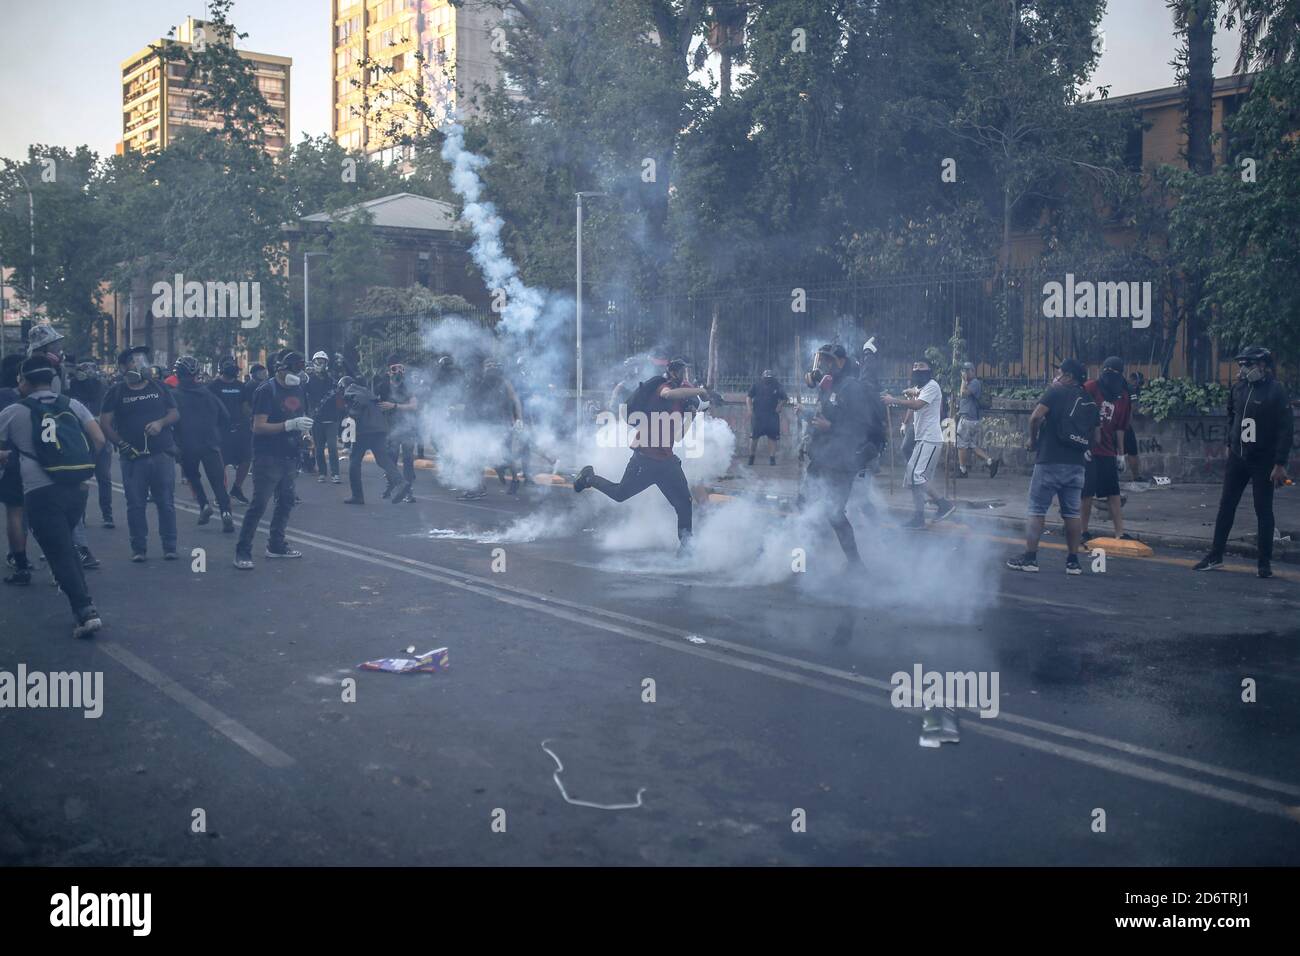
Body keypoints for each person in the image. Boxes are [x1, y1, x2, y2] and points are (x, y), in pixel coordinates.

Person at [0, 356, 105, 637]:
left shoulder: (14, 411)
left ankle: (86, 611)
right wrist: (85, 467)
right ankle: (81, 605)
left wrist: (9, 457)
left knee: (59, 553)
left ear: (24, 381)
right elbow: (99, 440)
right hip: (76, 491)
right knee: (67, 548)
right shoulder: (73, 405)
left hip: (39, 492)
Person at [574, 357, 706, 553]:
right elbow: (669, 394)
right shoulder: (662, 387)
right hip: (645, 458)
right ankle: (588, 478)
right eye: (681, 372)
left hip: (666, 461)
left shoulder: (681, 403)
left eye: (686, 372)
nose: (684, 376)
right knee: (620, 494)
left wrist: (692, 415)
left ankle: (686, 548)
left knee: (684, 503)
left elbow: (678, 436)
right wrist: (700, 390)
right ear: (672, 373)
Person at [1194, 346, 1292, 578]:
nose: (1243, 369)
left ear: (1263, 366)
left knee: (1263, 510)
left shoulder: (1275, 390)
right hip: (1238, 458)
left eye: (1248, 364)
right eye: (1241, 365)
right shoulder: (1238, 388)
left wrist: (1280, 463)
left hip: (1263, 461)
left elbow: (1286, 429)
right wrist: (1231, 443)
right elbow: (1231, 415)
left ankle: (1264, 563)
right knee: (1226, 506)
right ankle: (1215, 555)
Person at [1006, 358, 1098, 575]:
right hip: (1077, 465)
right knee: (1072, 513)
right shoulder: (1090, 401)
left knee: (1037, 510)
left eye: (1059, 373)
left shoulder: (1055, 392)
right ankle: (1073, 561)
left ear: (1068, 376)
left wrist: (1033, 441)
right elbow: (1098, 436)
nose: (1056, 376)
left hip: (1049, 460)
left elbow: (1035, 417)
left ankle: (1030, 558)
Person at [100, 346, 180, 562]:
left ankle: (170, 547)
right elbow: (105, 423)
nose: (139, 364)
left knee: (166, 503)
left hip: (161, 454)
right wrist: (121, 443)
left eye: (141, 360)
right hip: (132, 458)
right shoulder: (115, 392)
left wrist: (160, 423)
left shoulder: (159, 387)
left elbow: (174, 414)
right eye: (133, 361)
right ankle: (139, 549)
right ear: (123, 367)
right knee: (135, 505)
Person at [234, 351, 313, 569]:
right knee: (259, 504)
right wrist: (289, 425)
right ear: (280, 369)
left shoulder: (299, 388)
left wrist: (305, 434)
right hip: (267, 456)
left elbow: (300, 417)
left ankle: (276, 545)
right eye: (293, 369)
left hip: (290, 455)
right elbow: (258, 426)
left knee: (287, 501)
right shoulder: (266, 390)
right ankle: (242, 551)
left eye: (300, 369)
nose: (297, 374)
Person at [799, 346, 874, 566]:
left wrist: (830, 426)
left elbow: (860, 425)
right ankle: (807, 557)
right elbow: (823, 414)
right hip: (821, 457)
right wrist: (807, 414)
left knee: (835, 513)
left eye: (829, 360)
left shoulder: (852, 387)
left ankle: (856, 565)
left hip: (843, 461)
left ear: (841, 361)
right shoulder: (827, 386)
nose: (824, 364)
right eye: (822, 360)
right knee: (804, 503)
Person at [884, 360, 956, 529]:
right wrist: (910, 394)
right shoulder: (921, 388)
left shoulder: (932, 386)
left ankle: (944, 505)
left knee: (917, 476)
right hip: (922, 439)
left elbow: (916, 405)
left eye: (921, 366)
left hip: (930, 439)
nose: (917, 369)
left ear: (929, 370)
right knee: (912, 478)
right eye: (915, 366)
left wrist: (894, 400)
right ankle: (918, 517)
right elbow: (914, 397)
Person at [172, 356, 235, 533]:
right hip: (210, 443)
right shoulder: (207, 393)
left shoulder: (173, 395)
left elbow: (170, 421)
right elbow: (225, 417)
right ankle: (225, 513)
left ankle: (204, 504)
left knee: (193, 477)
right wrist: (216, 434)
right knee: (218, 482)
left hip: (186, 445)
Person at [1080, 356, 1133, 543]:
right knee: (1086, 492)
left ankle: (1120, 532)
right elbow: (1079, 415)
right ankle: (1083, 531)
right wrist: (1082, 445)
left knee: (1113, 491)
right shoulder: (1090, 388)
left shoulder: (1123, 396)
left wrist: (1121, 454)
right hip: (1089, 449)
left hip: (1108, 450)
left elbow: (1120, 427)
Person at [341, 375, 411, 506]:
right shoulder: (365, 390)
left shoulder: (350, 390)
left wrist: (351, 413)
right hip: (379, 428)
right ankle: (401, 483)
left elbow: (356, 407)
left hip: (364, 429)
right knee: (382, 459)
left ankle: (357, 496)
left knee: (354, 462)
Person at [459, 358, 523, 499]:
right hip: (487, 425)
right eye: (487, 365)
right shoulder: (481, 383)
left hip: (503, 424)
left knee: (506, 455)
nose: (490, 367)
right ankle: (480, 486)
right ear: (484, 368)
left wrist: (519, 419)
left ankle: (515, 479)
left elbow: (515, 400)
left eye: (493, 364)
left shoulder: (504, 382)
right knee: (480, 455)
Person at [69, 362, 114, 528]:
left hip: (98, 435)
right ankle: (81, 515)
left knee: (104, 478)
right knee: (82, 479)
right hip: (82, 439)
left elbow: (107, 412)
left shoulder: (101, 388)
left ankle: (107, 514)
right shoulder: (73, 388)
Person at [1, 354, 31, 584]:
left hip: (10, 461)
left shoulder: (4, 397)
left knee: (15, 512)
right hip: (42, 463)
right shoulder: (48, 398)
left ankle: (21, 563)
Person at [376, 355, 420, 502]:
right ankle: (391, 485)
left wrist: (395, 406)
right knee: (391, 458)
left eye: (401, 368)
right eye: (395, 369)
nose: (398, 372)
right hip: (390, 428)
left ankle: (409, 491)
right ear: (389, 371)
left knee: (408, 459)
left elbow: (414, 405)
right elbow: (375, 405)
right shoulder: (382, 386)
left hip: (407, 427)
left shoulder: (407, 387)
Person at [230, 363, 269, 503]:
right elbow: (246, 405)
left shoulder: (264, 385)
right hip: (251, 423)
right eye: (261, 372)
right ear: (255, 373)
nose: (264, 374)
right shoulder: (251, 386)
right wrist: (252, 418)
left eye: (264, 372)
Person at [956, 362, 1000, 478]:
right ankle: (990, 461)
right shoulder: (970, 383)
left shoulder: (974, 383)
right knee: (970, 445)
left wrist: (963, 380)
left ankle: (962, 470)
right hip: (969, 418)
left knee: (961, 444)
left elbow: (963, 394)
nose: (964, 373)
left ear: (972, 371)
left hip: (968, 419)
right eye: (963, 371)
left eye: (967, 371)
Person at [305, 351, 340, 484]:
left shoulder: (332, 380)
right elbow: (304, 395)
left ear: (326, 363)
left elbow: (339, 396)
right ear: (313, 363)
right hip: (317, 419)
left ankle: (335, 473)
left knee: (332, 447)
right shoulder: (309, 380)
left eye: (322, 361)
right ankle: (322, 473)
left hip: (331, 419)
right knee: (319, 448)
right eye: (317, 361)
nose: (320, 364)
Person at [747, 370, 789, 466]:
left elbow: (785, 398)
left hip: (772, 416)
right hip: (758, 416)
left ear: (772, 378)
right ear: (762, 377)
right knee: (754, 437)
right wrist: (749, 409)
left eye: (769, 378)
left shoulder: (777, 385)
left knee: (772, 438)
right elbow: (748, 397)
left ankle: (772, 459)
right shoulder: (756, 384)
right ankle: (751, 457)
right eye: (766, 378)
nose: (767, 380)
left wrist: (780, 406)